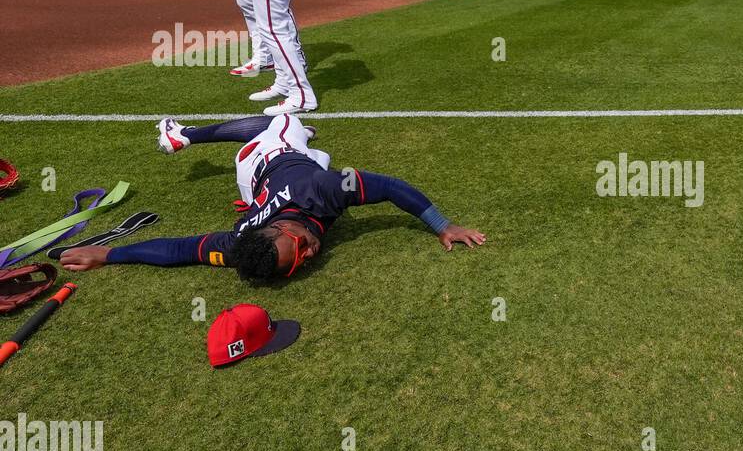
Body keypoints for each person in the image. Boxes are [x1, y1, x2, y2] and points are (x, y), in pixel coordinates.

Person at [60, 115, 485, 281]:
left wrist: (442, 225)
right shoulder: (245, 244)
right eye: (300, 261)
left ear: (279, 228)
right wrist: (109, 254)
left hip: (270, 156)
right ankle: (187, 136)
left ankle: (185, 136)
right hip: (253, 180)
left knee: (284, 120)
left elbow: (390, 187)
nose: (311, 255)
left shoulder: (322, 191)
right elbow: (179, 250)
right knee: (311, 150)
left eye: (299, 249)